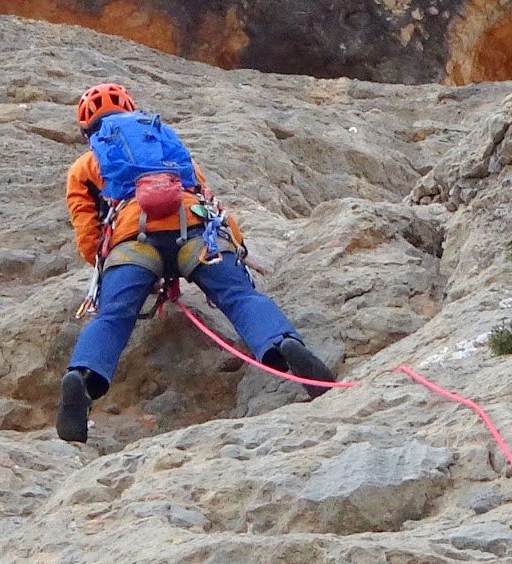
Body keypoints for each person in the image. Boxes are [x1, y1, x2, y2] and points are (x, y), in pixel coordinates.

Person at [57, 82, 337, 443]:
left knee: (114, 316)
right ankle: (281, 344)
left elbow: (88, 235)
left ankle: (82, 376)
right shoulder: (164, 141)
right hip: (193, 228)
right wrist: (237, 246)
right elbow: (206, 196)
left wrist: (111, 264)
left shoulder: (85, 165)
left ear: (87, 132)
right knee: (239, 297)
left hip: (133, 241)